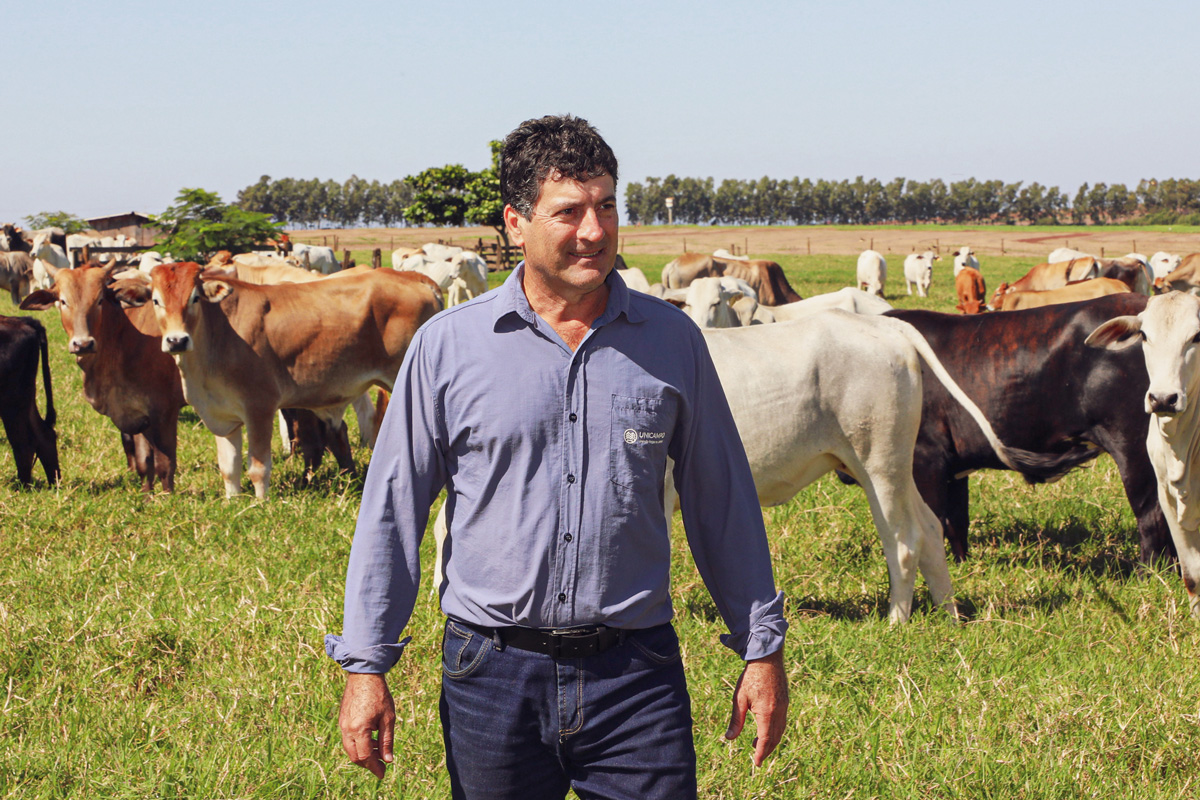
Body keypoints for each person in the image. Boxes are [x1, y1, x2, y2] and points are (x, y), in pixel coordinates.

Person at [326, 114, 789, 799]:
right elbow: (392, 512)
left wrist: (762, 647)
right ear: (516, 224)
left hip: (636, 672)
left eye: (607, 207)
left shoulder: (672, 342)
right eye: (568, 212)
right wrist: (366, 667)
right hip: (492, 672)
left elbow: (722, 502)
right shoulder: (449, 349)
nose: (595, 231)